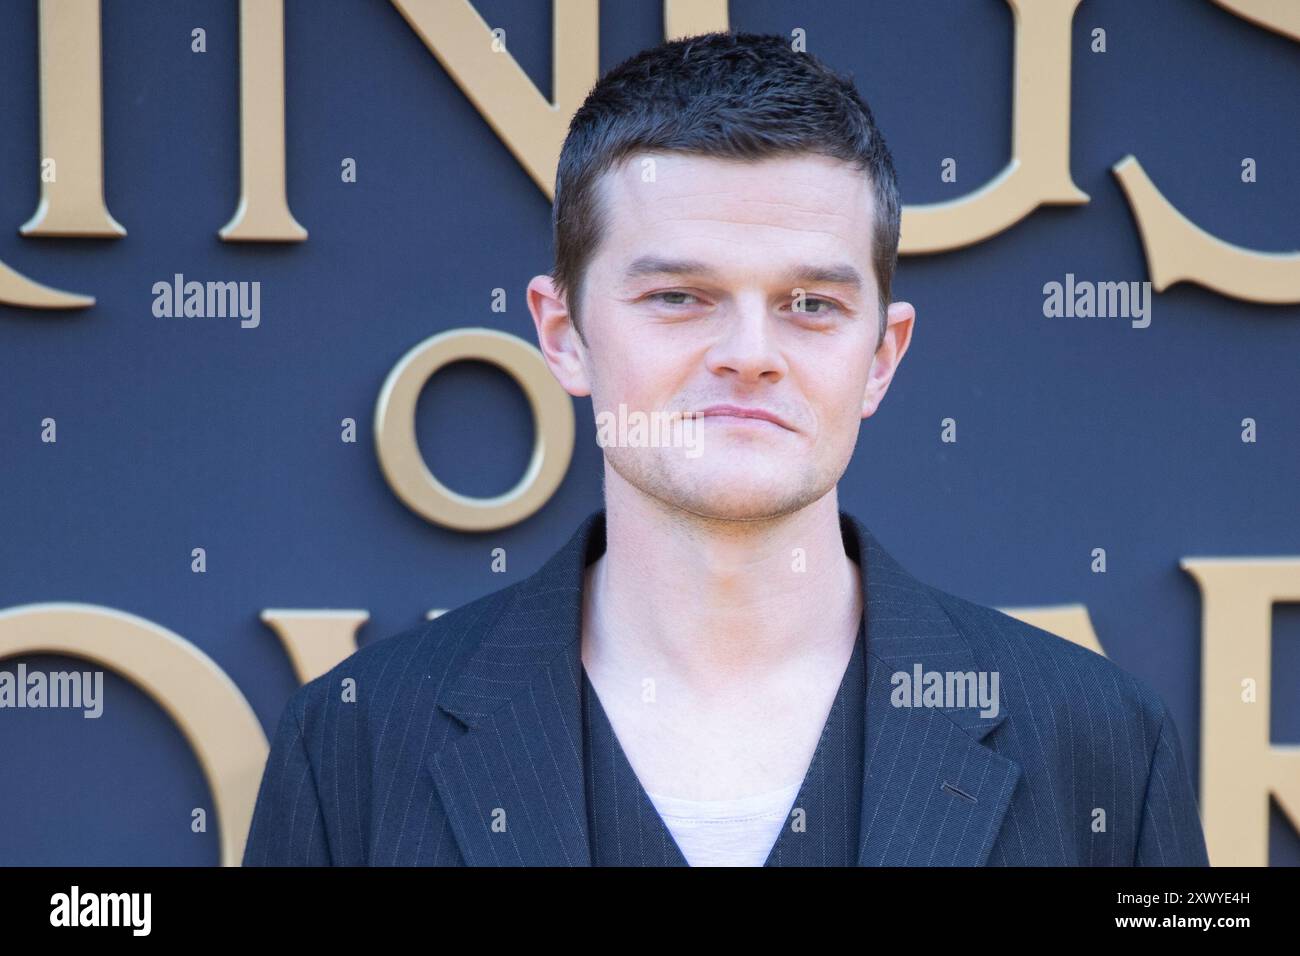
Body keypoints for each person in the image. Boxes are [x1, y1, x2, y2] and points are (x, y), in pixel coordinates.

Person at [243, 31, 1209, 867]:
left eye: (812, 306)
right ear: (563, 333)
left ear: (882, 355)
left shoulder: (1103, 746)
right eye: (678, 296)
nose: (750, 356)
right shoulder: (353, 744)